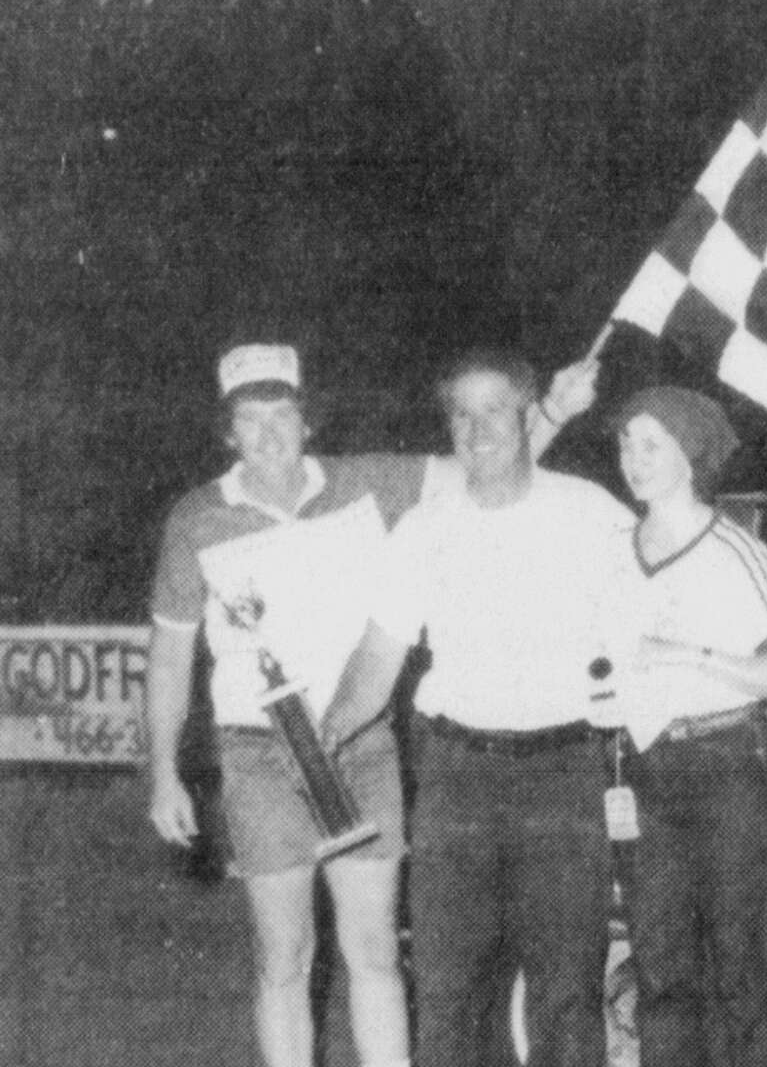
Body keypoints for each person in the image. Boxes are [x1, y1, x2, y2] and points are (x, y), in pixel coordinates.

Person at [144, 342, 592, 1067]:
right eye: (249, 420)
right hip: (260, 754)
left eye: (282, 414)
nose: (268, 434)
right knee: (284, 956)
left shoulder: (369, 483)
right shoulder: (196, 518)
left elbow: (491, 453)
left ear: (307, 421)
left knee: (374, 948)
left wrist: (555, 410)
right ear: (226, 432)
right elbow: (169, 656)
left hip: (360, 746)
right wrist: (163, 770)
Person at [332, 350, 636, 1067]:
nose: (476, 427)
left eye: (494, 408)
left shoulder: (591, 513)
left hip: (565, 775)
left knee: (565, 990)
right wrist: (328, 731)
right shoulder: (423, 527)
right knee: (450, 987)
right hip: (456, 778)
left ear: (530, 417)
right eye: (460, 413)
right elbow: (377, 660)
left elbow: (658, 613)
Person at [596, 386, 767, 1067]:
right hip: (641, 769)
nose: (634, 458)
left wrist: (691, 656)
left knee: (745, 972)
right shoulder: (610, 550)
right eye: (626, 443)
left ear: (692, 454)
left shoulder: (733, 549)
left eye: (651, 443)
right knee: (660, 973)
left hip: (727, 766)